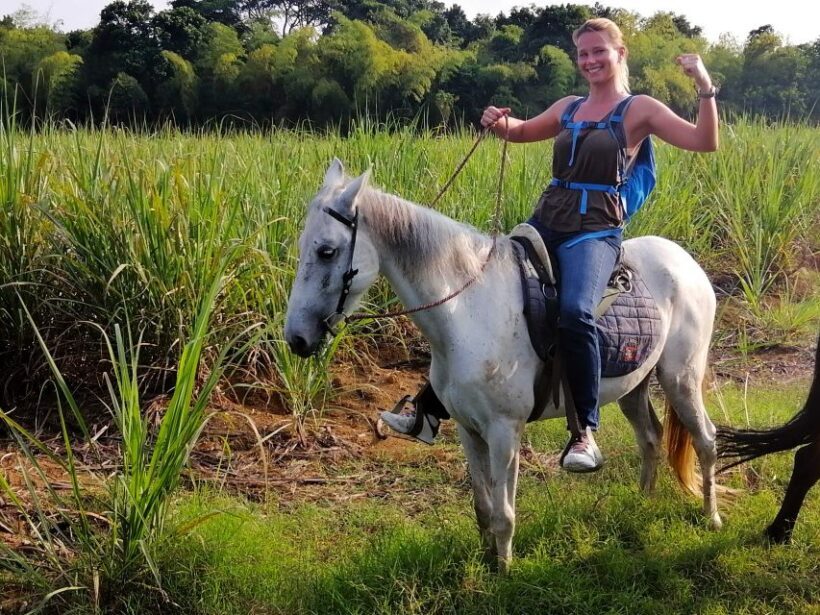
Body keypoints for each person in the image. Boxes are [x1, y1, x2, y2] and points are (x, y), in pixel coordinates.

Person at [381, 17, 718, 472]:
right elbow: (521, 131)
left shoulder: (640, 110)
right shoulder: (569, 107)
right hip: (545, 222)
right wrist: (499, 123)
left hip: (594, 232)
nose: (590, 60)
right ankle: (428, 411)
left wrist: (704, 85)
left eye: (599, 51)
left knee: (576, 311)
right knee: (482, 300)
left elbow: (704, 141)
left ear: (620, 54)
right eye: (583, 53)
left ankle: (584, 433)